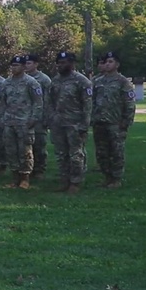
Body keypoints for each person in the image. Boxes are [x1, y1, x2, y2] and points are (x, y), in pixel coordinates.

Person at [49, 51, 93, 194]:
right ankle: (64, 180)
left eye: (63, 63)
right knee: (61, 154)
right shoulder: (55, 81)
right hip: (58, 123)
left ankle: (75, 182)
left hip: (75, 124)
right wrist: (50, 118)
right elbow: (50, 101)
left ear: (72, 64)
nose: (60, 66)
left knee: (76, 154)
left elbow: (87, 105)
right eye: (59, 63)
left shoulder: (82, 81)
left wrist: (84, 125)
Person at [92, 51, 136, 188]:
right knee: (102, 152)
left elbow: (129, 103)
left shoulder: (123, 82)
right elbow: (91, 101)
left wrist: (126, 121)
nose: (107, 64)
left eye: (110, 62)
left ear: (117, 64)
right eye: (105, 62)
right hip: (99, 122)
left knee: (116, 152)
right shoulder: (97, 81)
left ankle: (116, 179)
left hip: (115, 123)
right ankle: (107, 176)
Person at [0, 56, 43, 189]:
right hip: (9, 122)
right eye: (12, 65)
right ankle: (15, 177)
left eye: (17, 65)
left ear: (24, 67)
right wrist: (3, 117)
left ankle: (25, 178)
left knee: (25, 151)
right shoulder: (6, 83)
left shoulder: (31, 82)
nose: (14, 68)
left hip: (25, 122)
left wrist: (33, 119)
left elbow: (38, 103)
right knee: (11, 150)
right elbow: (2, 102)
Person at [25, 54, 52, 179]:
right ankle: (27, 169)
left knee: (39, 145)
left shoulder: (44, 79)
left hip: (40, 118)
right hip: (25, 116)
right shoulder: (22, 78)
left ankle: (40, 169)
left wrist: (46, 117)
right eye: (25, 63)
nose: (26, 65)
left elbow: (48, 100)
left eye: (29, 63)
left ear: (36, 64)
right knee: (26, 145)